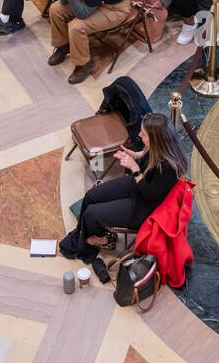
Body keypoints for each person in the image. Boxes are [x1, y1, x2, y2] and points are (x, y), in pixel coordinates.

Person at [60, 113, 186, 284]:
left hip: (144, 206)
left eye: (143, 134)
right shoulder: (159, 147)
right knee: (90, 196)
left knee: (92, 213)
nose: (139, 135)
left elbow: (149, 194)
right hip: (137, 186)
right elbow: (148, 153)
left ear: (156, 139)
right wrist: (136, 155)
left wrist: (135, 169)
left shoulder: (169, 168)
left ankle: (105, 240)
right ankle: (92, 233)